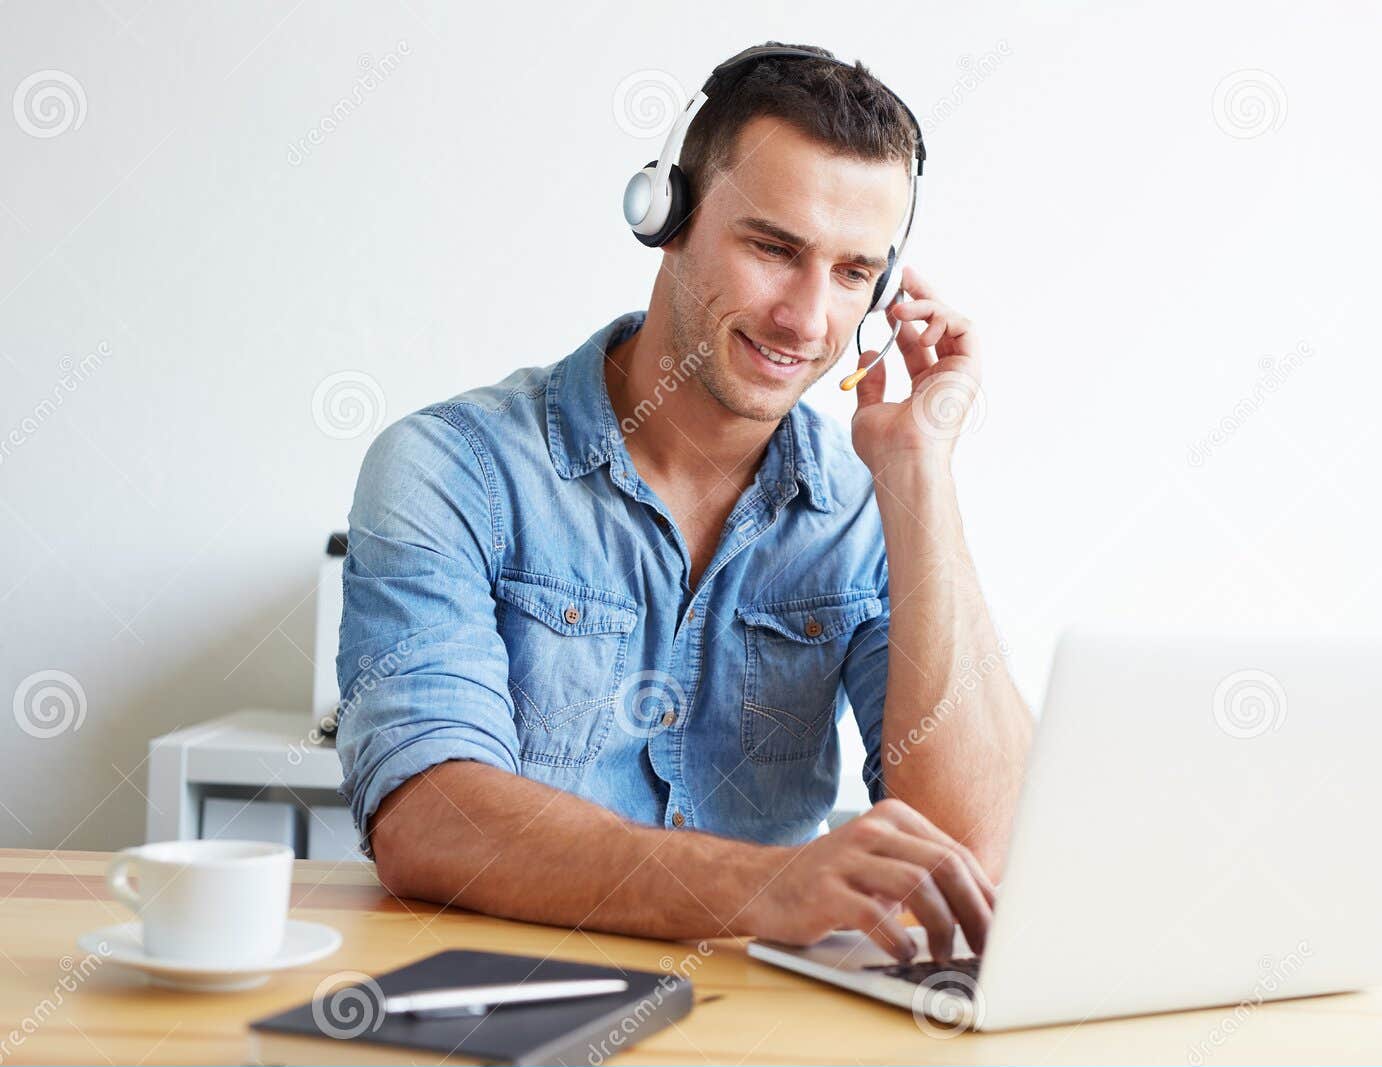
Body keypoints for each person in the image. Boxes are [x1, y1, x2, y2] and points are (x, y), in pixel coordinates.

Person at [335, 42, 1032, 963]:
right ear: (666, 216)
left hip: (761, 1036)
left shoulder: (869, 510)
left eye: (855, 272)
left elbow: (980, 850)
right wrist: (768, 886)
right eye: (774, 249)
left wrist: (919, 475)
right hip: (505, 1023)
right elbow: (428, 819)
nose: (807, 319)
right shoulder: (449, 470)